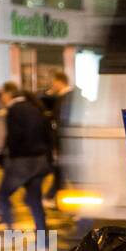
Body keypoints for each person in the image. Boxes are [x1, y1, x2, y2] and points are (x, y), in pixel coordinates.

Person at [0, 81, 51, 234]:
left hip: (22, 161)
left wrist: (8, 158)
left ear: (8, 94)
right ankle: (42, 235)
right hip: (40, 160)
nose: (1, 99)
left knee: (2, 194)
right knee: (34, 199)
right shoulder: (35, 107)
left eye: (1, 95)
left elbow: (14, 136)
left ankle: (9, 230)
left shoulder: (14, 110)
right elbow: (47, 134)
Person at [41, 70, 75, 201]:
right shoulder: (66, 97)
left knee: (63, 172)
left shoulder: (66, 99)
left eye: (53, 83)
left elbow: (61, 124)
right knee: (61, 172)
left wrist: (56, 144)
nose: (52, 86)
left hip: (65, 143)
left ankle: (51, 197)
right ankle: (53, 197)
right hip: (65, 143)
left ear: (60, 82)